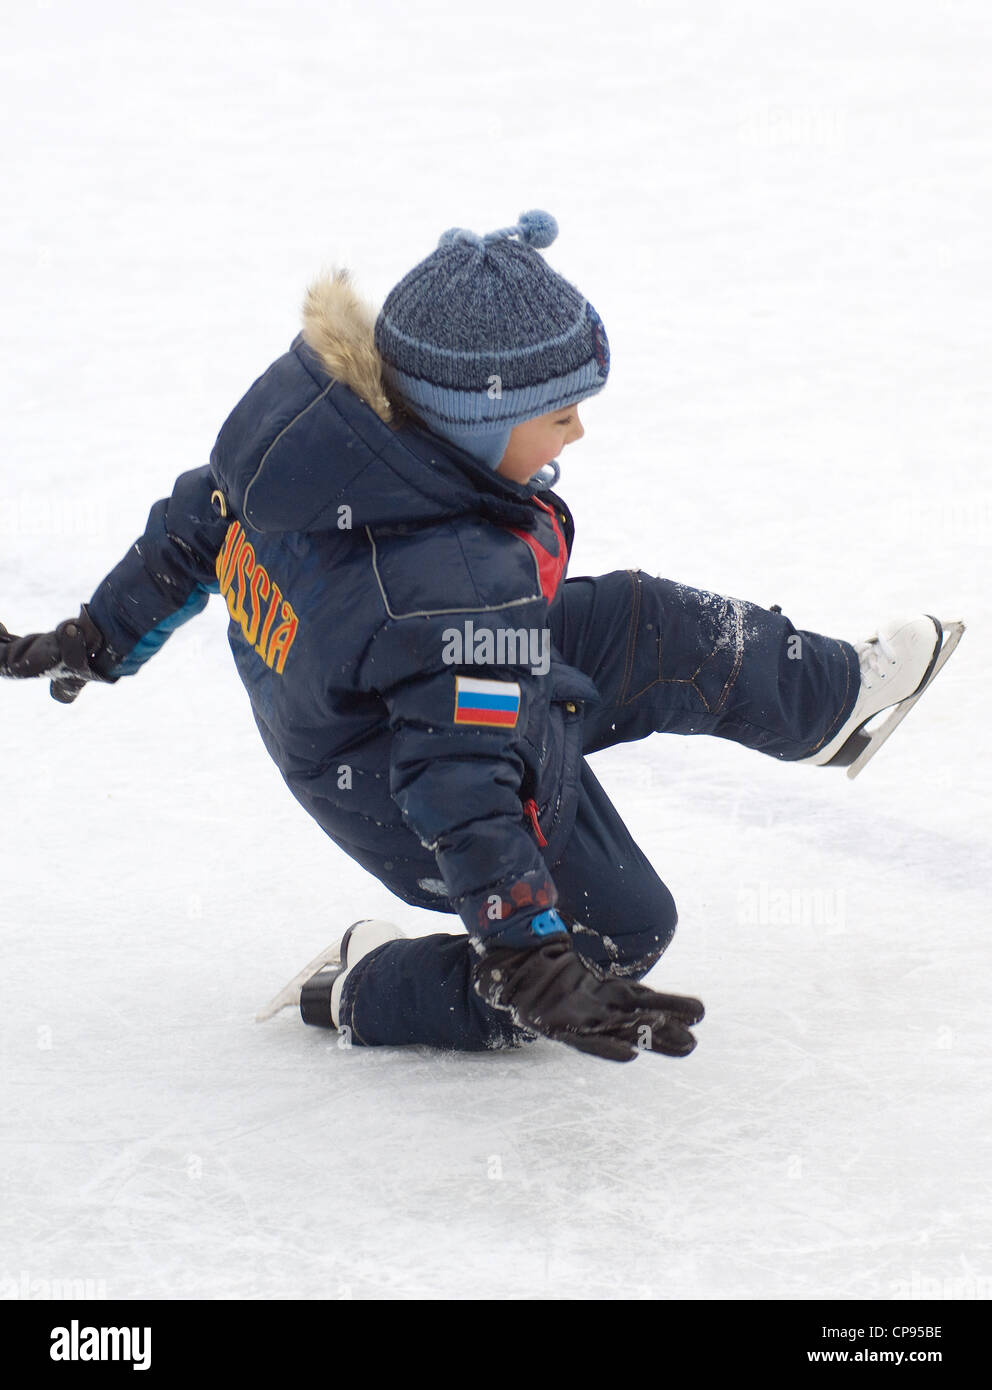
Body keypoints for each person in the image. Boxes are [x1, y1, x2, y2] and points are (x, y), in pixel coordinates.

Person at [0, 210, 958, 1063]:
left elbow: (190, 526)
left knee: (646, 621)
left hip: (375, 682)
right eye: (561, 415)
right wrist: (526, 949)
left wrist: (94, 638)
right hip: (385, 773)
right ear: (472, 422)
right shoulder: (458, 589)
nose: (577, 436)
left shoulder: (308, 437)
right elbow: (459, 785)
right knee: (617, 935)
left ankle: (831, 707)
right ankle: (363, 987)